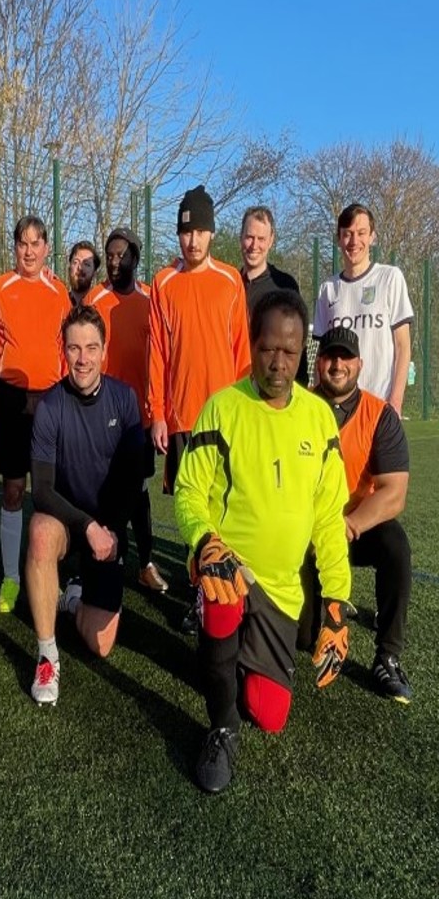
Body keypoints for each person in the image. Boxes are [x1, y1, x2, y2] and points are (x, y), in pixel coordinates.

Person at [175, 291, 352, 794]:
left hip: (281, 591)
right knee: (221, 595)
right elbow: (189, 492)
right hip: (230, 568)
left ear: (303, 354)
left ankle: (228, 656)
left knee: (270, 714)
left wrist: (337, 602)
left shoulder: (319, 418)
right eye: (269, 348)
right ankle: (222, 728)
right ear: (251, 345)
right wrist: (204, 541)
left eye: (289, 352)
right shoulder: (222, 407)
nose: (278, 363)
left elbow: (329, 520)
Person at [24, 305, 143, 705]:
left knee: (101, 645)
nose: (83, 359)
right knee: (40, 532)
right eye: (74, 348)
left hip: (107, 528)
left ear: (104, 351)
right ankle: (47, 655)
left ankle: (73, 598)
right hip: (68, 523)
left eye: (91, 348)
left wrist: (110, 529)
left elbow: (133, 481)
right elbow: (41, 491)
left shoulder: (124, 399)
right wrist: (87, 527)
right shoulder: (50, 406)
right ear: (64, 351)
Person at [148, 185, 251, 633]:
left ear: (211, 233)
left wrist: (248, 410)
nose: (193, 240)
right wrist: (157, 412)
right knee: (192, 509)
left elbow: (242, 351)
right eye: (186, 232)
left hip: (227, 419)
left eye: (200, 232)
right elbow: (157, 352)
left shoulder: (230, 281)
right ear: (179, 234)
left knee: (225, 504)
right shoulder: (163, 282)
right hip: (183, 417)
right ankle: (200, 595)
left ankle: (230, 588)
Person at [301, 326, 413, 702]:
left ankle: (388, 657)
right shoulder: (297, 407)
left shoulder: (379, 415)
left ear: (360, 364)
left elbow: (394, 493)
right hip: (306, 534)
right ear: (318, 362)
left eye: (345, 357)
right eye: (330, 356)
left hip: (354, 527)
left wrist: (349, 524)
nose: (338, 364)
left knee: (395, 544)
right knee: (304, 637)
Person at [0, 216, 71, 612]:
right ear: (15, 247)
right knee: (13, 490)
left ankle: (52, 577)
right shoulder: (0, 288)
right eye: (22, 243)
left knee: (50, 493)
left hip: (51, 400)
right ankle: (11, 578)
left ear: (46, 247)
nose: (29, 251)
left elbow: (68, 349)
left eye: (36, 243)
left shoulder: (59, 292)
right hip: (12, 400)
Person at [86, 226, 168, 594]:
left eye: (122, 255)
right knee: (102, 486)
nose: (115, 262)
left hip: (141, 414)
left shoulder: (151, 298)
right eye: (110, 255)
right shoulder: (95, 298)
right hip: (102, 411)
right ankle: (105, 557)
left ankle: (145, 563)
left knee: (139, 487)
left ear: (136, 256)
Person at [314, 204, 414, 414]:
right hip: (336, 409)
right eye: (347, 234)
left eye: (361, 233)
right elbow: (320, 357)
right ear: (339, 239)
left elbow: (403, 346)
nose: (354, 241)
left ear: (372, 237)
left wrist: (395, 402)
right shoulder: (327, 289)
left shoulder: (390, 278)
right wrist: (317, 403)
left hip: (379, 406)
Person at [238, 206, 308, 385]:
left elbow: (296, 343)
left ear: (271, 241)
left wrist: (300, 386)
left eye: (261, 239)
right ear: (241, 238)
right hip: (237, 385)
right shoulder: (230, 285)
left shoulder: (284, 285)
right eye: (249, 237)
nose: (254, 245)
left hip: (271, 385)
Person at [66, 240, 99, 307]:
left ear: (94, 273)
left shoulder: (99, 305)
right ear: (69, 268)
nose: (80, 268)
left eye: (86, 264)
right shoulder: (59, 302)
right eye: (75, 262)